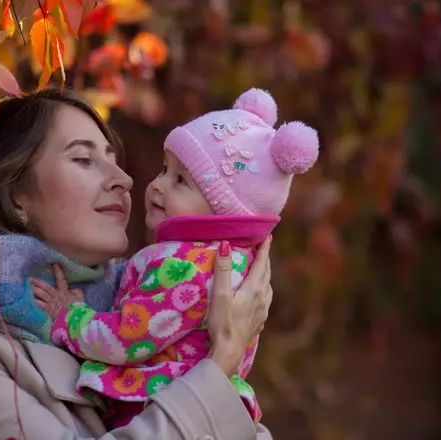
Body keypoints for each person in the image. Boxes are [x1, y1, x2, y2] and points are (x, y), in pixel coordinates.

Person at [0, 88, 275, 440]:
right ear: (15, 194)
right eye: (84, 159)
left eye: (114, 160)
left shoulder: (143, 316)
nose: (123, 179)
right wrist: (219, 364)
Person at [31, 88, 319, 429]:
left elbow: (127, 337)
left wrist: (70, 316)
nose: (155, 186)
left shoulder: (185, 269)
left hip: (153, 403)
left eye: (180, 181)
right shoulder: (227, 262)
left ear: (221, 211)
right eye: (164, 170)